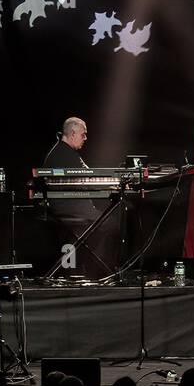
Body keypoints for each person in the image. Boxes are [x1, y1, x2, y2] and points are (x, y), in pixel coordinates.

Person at [44, 116, 120, 277]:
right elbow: (87, 179)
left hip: (72, 208)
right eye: (83, 134)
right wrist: (116, 183)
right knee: (111, 224)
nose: (85, 138)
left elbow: (87, 178)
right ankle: (100, 271)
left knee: (106, 221)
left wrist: (112, 183)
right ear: (72, 134)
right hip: (70, 211)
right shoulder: (64, 154)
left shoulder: (65, 152)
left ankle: (92, 267)